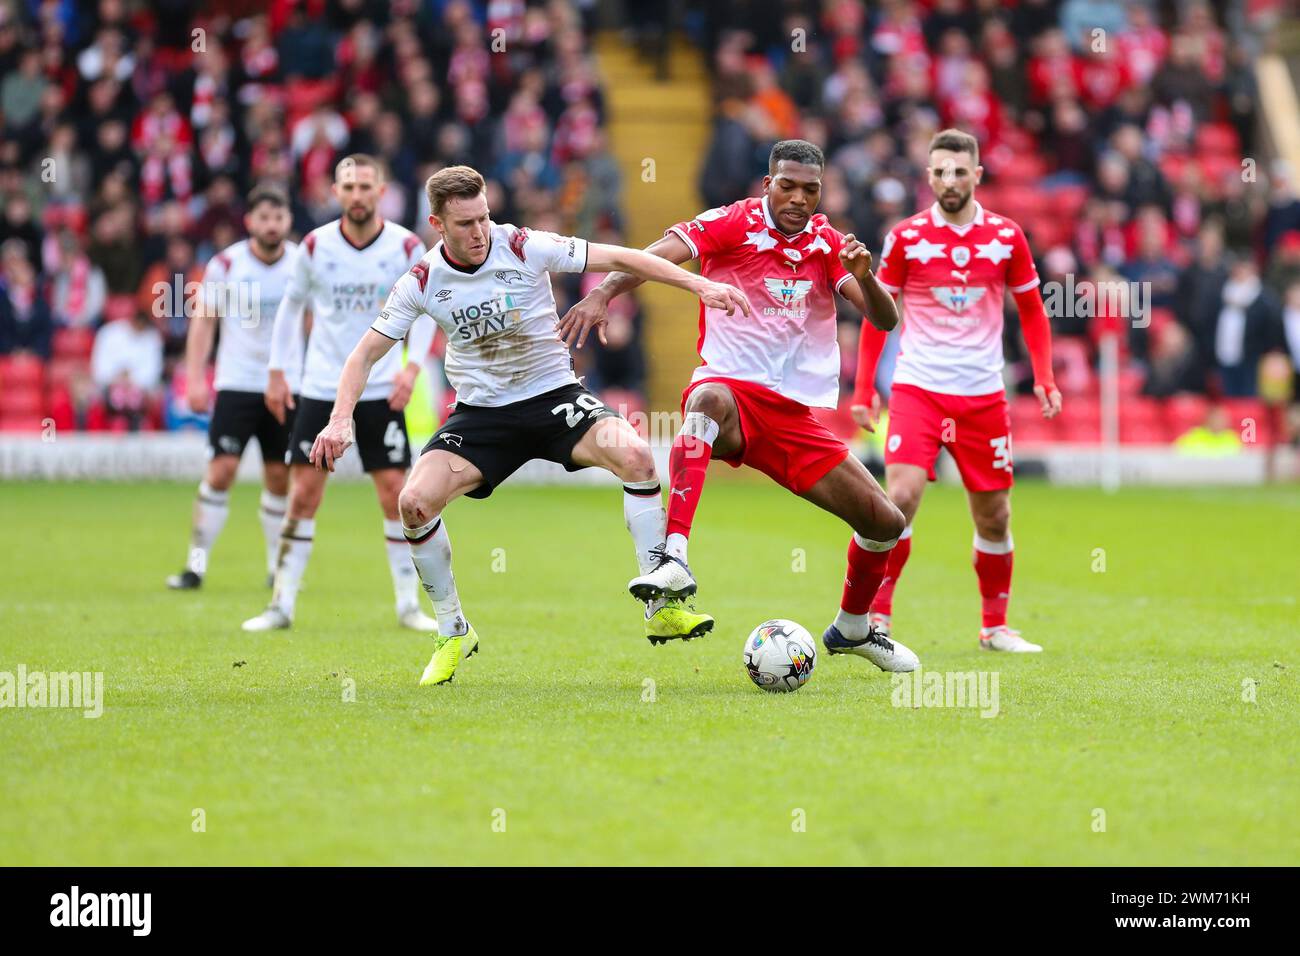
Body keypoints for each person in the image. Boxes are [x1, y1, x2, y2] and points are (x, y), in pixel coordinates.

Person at [310, 165, 751, 685]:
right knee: (413, 503)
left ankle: (662, 602)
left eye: (484, 218)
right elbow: (363, 355)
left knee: (635, 456)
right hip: (482, 416)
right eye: (465, 225)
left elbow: (622, 256)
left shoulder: (522, 245)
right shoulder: (423, 281)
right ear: (437, 224)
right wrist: (339, 422)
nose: (479, 233)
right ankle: (453, 630)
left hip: (552, 397)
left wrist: (697, 283)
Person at [560, 139, 920, 673]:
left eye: (810, 189)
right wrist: (603, 293)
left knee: (885, 523)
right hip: (730, 393)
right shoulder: (731, 222)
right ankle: (673, 558)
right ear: (767, 183)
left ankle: (852, 628)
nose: (798, 198)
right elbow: (653, 259)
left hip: (791, 417)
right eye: (788, 185)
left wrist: (865, 274)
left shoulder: (826, 243)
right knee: (705, 399)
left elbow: (885, 321)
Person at [853, 128, 1061, 653]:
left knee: (994, 513)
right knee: (898, 499)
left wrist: (1044, 376)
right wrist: (863, 389)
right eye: (940, 171)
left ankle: (995, 627)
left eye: (959, 171)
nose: (950, 181)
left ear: (977, 176)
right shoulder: (905, 237)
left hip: (983, 394)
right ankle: (877, 616)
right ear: (928, 176)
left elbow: (1032, 311)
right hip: (919, 389)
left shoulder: (1007, 237)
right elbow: (879, 318)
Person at [241, 155, 436, 633]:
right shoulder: (315, 245)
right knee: (304, 493)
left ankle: (408, 605)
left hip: (383, 387)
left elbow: (429, 310)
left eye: (365, 186)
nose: (357, 195)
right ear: (335, 191)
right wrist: (276, 371)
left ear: (381, 190)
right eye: (348, 186)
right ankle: (281, 603)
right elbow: (291, 308)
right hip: (322, 388)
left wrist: (413, 367)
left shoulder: (405, 246)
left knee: (396, 493)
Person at [166, 185, 301, 591]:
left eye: (278, 218)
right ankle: (195, 564)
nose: (271, 225)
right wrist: (194, 378)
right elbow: (204, 322)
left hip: (287, 384)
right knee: (221, 471)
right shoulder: (226, 265)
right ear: (249, 222)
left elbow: (315, 324)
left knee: (279, 477)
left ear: (288, 221)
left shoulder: (302, 263)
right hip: (237, 382)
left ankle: (277, 569)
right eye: (264, 218)